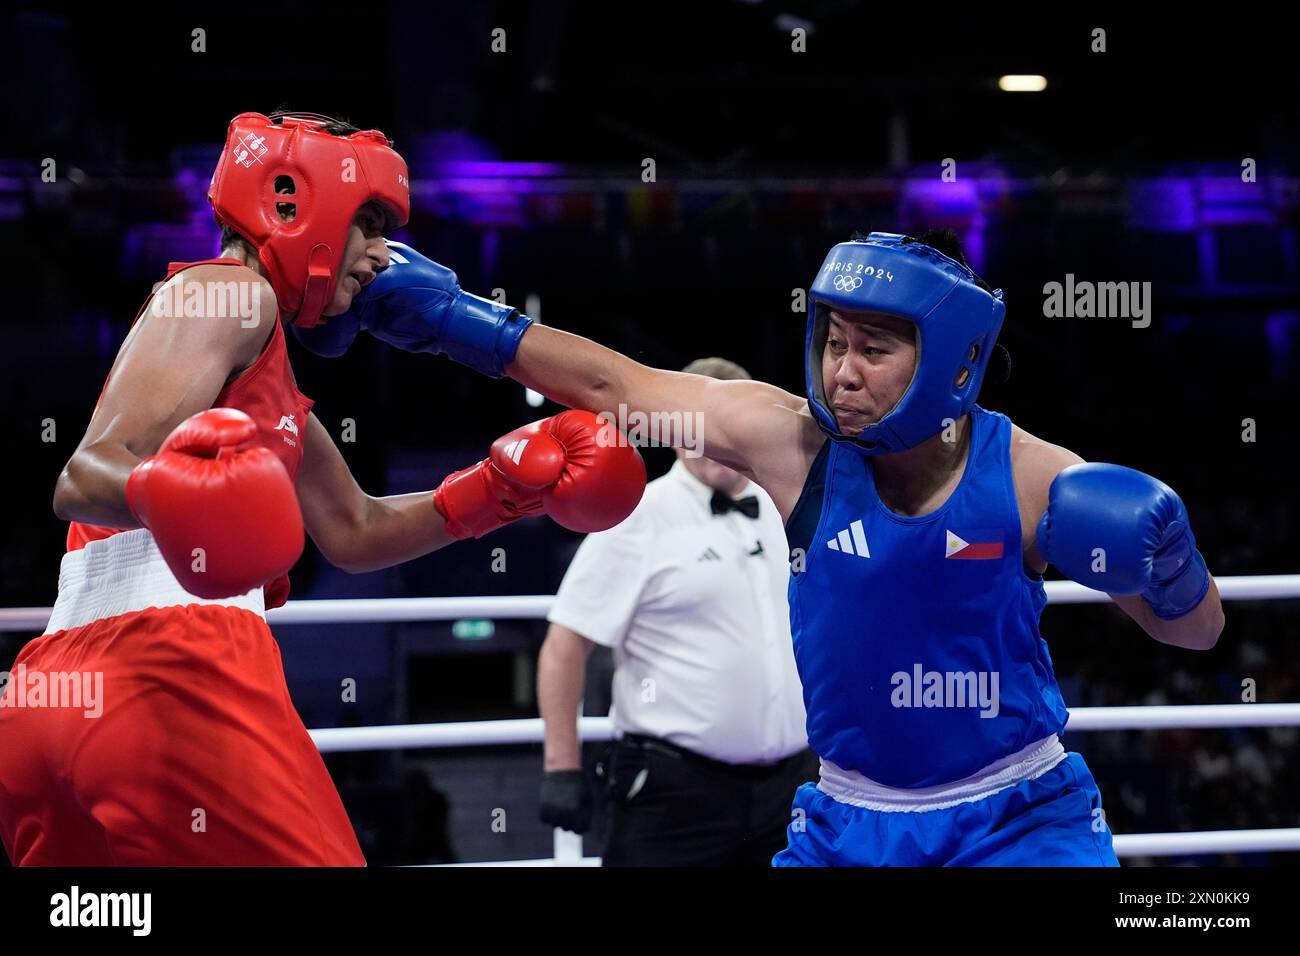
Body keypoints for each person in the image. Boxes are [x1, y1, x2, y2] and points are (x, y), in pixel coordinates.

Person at [316, 228, 1225, 866]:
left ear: (953, 363)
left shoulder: (1031, 476)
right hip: (849, 823)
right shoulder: (792, 444)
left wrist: (1176, 569)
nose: (843, 369)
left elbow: (1195, 635)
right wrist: (452, 320)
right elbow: (616, 384)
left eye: (876, 348)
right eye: (834, 341)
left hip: (1018, 821)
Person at [0, 111, 645, 866]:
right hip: (169, 676)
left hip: (55, 703)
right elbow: (84, 473)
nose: (382, 255)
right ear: (289, 202)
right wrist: (171, 495)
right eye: (368, 224)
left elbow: (355, 531)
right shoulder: (233, 296)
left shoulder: (265, 387)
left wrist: (503, 490)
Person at [538, 358, 815, 867]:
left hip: (793, 787)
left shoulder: (789, 506)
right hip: (673, 792)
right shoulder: (636, 514)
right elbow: (565, 643)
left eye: (728, 429)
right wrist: (562, 768)